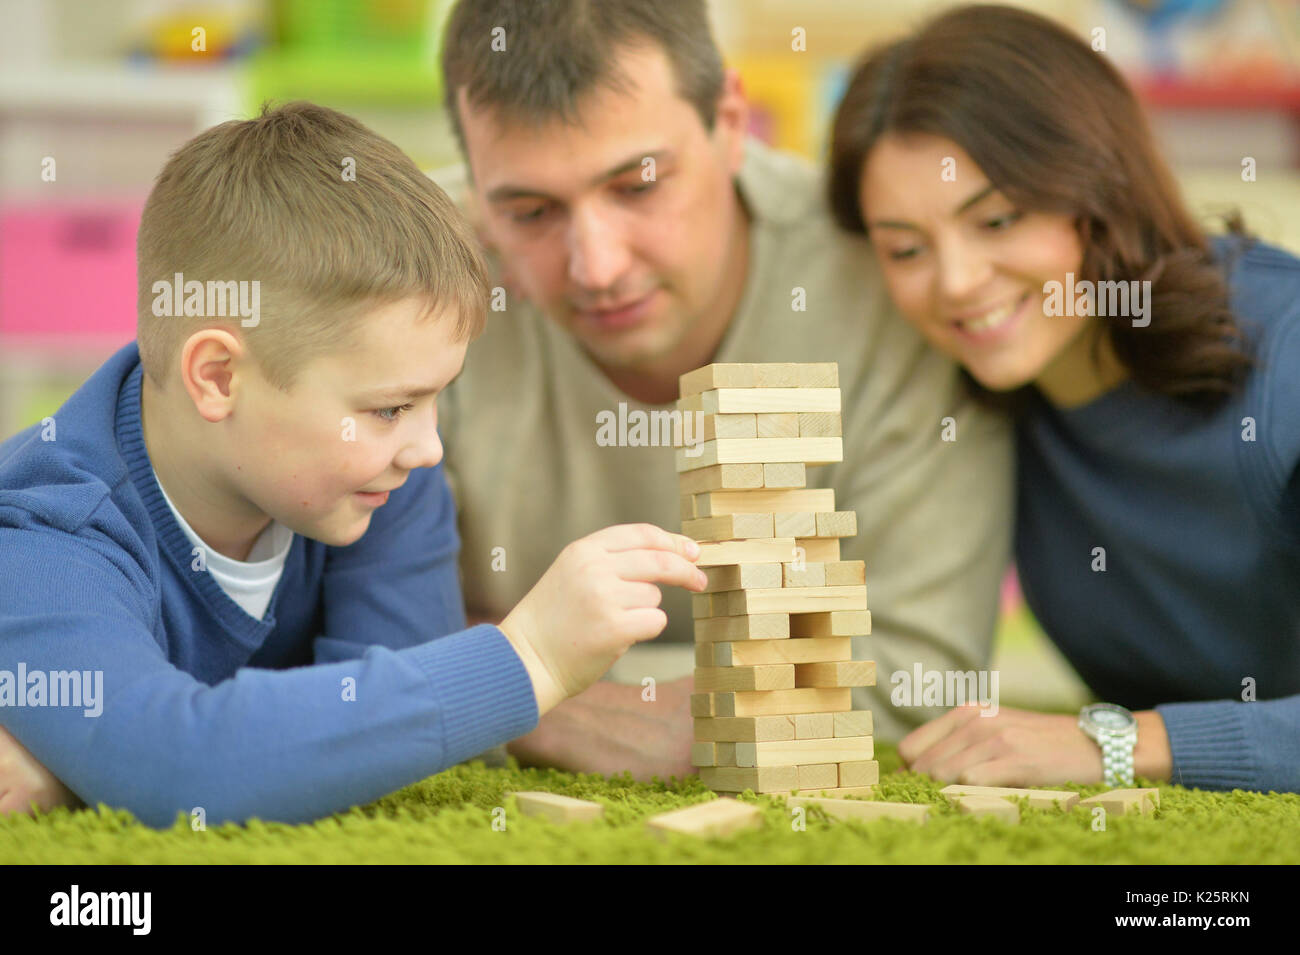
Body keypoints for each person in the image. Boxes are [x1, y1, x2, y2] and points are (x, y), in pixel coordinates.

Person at [0, 102, 708, 826]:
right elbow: (181, 763)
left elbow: (385, 743)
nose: (428, 448)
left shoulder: (380, 480)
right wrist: (530, 660)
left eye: (435, 401)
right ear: (216, 376)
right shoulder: (44, 530)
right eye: (391, 408)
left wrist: (80, 768)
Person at [432, 0, 1016, 781]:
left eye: (638, 185)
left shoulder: (890, 261)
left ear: (733, 122)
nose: (596, 266)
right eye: (530, 211)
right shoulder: (403, 276)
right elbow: (348, 643)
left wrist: (494, 674)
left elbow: (921, 672)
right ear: (476, 190)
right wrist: (547, 709)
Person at [827, 3, 1300, 793]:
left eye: (998, 218)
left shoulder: (1285, 358)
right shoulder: (982, 397)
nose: (956, 282)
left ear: (1098, 184)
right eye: (905, 248)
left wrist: (1114, 742)